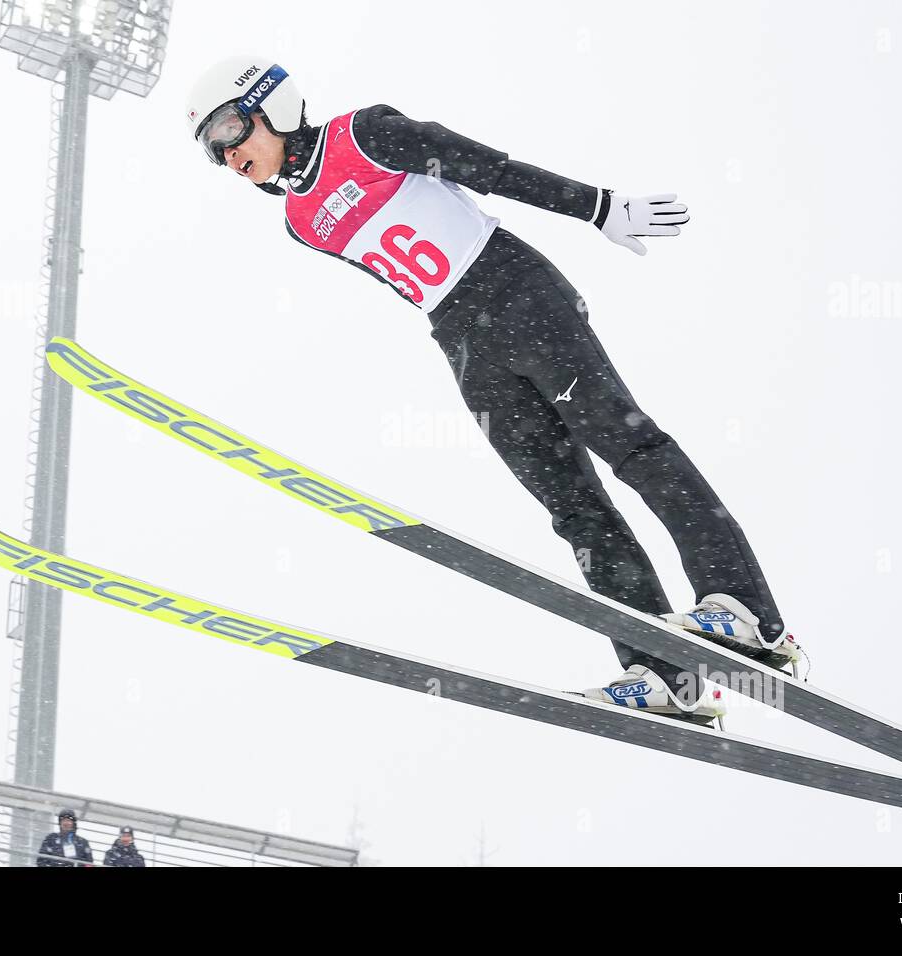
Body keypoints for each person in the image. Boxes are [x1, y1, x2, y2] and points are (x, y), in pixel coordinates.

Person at [183, 58, 804, 718]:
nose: (228, 155)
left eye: (228, 129)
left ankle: (747, 613)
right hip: (463, 343)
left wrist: (597, 207)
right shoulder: (301, 221)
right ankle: (661, 674)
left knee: (632, 449)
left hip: (518, 298)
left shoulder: (365, 135)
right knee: (573, 509)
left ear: (272, 104)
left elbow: (491, 170)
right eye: (212, 151)